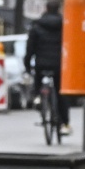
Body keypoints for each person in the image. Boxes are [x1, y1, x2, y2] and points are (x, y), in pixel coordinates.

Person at [26, 8, 68, 136]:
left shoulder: (37, 26)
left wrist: (27, 66)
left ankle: (38, 98)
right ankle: (64, 124)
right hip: (58, 64)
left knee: (38, 81)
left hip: (41, 63)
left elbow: (30, 48)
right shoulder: (64, 26)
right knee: (61, 93)